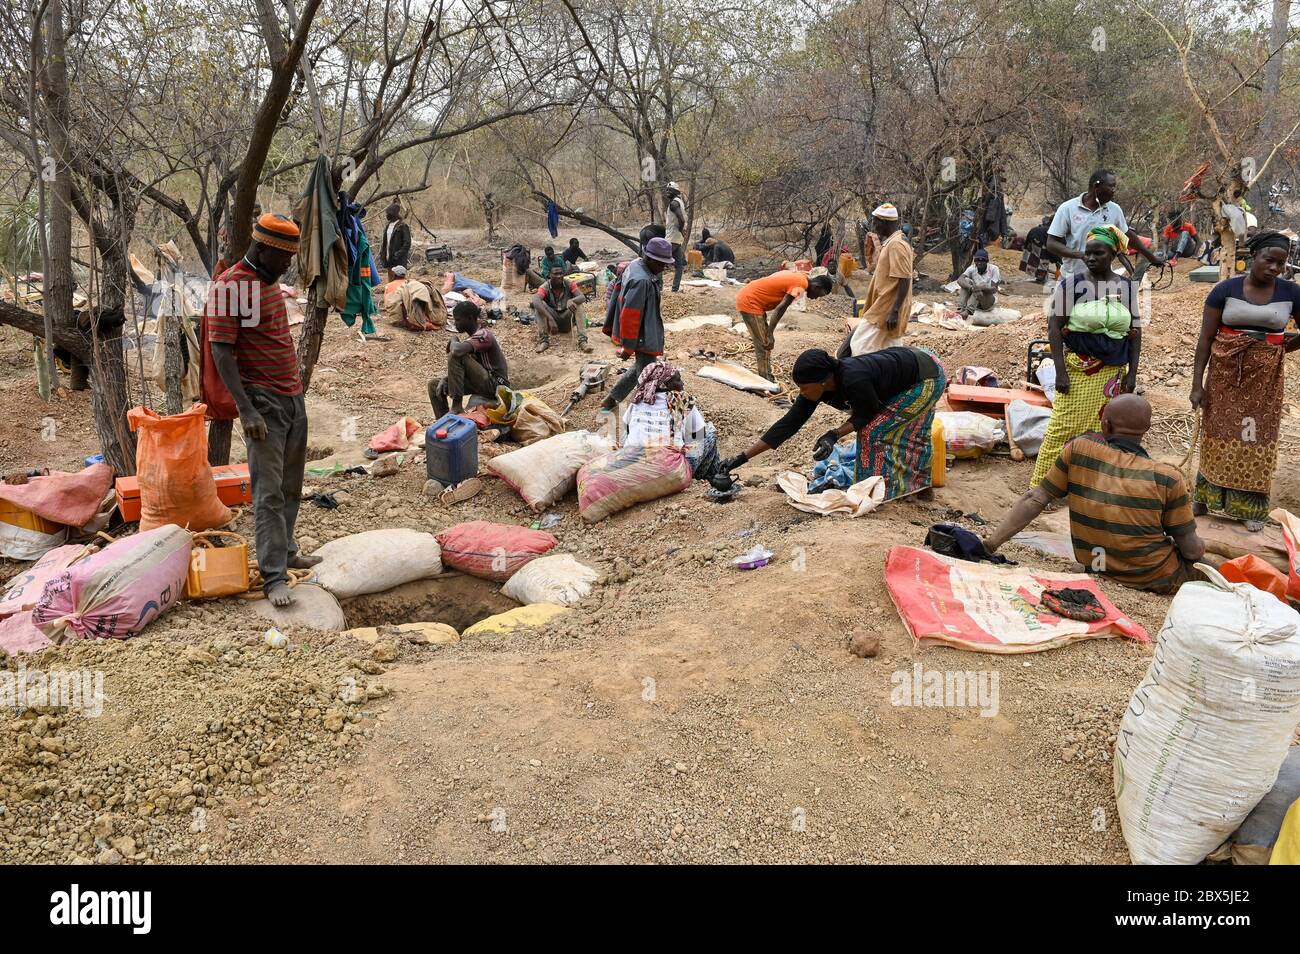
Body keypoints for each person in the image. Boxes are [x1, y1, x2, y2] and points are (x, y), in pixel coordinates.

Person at [206, 213, 320, 607]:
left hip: (292, 397)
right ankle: (274, 578)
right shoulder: (233, 286)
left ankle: (287, 553)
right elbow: (221, 351)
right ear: (263, 249)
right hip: (264, 403)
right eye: (284, 258)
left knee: (290, 484)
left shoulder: (266, 283)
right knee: (269, 492)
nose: (288, 266)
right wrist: (247, 409)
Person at [985, 395, 1205, 594]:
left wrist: (990, 545)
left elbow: (1035, 499)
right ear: (1146, 429)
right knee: (1215, 571)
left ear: (1106, 425)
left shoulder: (1079, 450)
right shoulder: (1167, 478)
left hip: (1097, 565)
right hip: (1152, 577)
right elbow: (1191, 551)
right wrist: (1201, 549)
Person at [719, 346, 946, 501]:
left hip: (926, 376)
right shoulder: (820, 389)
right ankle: (918, 487)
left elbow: (865, 415)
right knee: (902, 432)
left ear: (823, 381)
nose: (802, 393)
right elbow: (788, 424)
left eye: (805, 387)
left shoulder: (853, 378)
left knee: (873, 432)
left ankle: (875, 492)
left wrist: (833, 434)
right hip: (910, 368)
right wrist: (740, 459)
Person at [1189, 230, 1300, 530]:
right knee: (1218, 432)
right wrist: (1196, 384)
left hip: (1265, 380)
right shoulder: (1225, 289)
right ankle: (1205, 497)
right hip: (1225, 374)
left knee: (1256, 435)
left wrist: (1278, 349)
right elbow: (1205, 339)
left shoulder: (1291, 292)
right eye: (1269, 260)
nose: (1275, 268)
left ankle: (1249, 507)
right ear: (1253, 256)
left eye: (1282, 263)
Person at [1031, 224, 1142, 487]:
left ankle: (1088, 487)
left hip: (1113, 374)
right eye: (1088, 253)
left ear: (1113, 254)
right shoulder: (1073, 285)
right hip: (1078, 370)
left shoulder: (1126, 287)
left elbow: (1135, 332)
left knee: (1104, 433)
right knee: (1062, 428)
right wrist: (1060, 371)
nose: (1091, 258)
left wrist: (1132, 375)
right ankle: (1042, 487)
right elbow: (1054, 330)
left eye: (1098, 253)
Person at [600, 236, 674, 410]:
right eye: (660, 263)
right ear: (648, 257)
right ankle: (645, 411)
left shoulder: (636, 265)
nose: (663, 268)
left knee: (644, 366)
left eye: (665, 264)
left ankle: (612, 398)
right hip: (641, 334)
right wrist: (628, 346)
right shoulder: (642, 281)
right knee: (647, 375)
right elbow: (630, 316)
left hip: (643, 330)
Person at [1045, 169, 1165, 277]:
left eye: (1115, 187)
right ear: (1096, 186)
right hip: (1071, 276)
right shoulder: (1068, 208)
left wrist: (1151, 257)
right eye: (1111, 186)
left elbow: (1128, 235)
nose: (1114, 191)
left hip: (1102, 279)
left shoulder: (1114, 209)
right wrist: (1081, 255)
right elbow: (1051, 243)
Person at [621, 360, 717, 478]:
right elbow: (699, 434)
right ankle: (709, 475)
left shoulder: (638, 400)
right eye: (678, 380)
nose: (682, 383)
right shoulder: (682, 400)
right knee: (710, 432)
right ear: (664, 384)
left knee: (626, 432)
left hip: (633, 466)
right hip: (669, 470)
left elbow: (626, 426)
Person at [734, 270, 834, 381]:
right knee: (765, 344)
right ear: (817, 287)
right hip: (750, 301)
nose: (816, 298)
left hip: (752, 298)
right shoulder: (801, 285)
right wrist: (770, 333)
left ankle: (765, 377)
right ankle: (765, 381)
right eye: (819, 295)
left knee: (765, 342)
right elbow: (780, 309)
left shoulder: (802, 277)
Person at [844, 202, 913, 356]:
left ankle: (865, 376)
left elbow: (904, 279)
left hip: (886, 307)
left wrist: (894, 311)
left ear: (884, 222)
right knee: (890, 350)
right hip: (885, 304)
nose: (873, 225)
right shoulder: (892, 242)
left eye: (875, 222)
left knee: (860, 345)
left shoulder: (896, 245)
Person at [428, 300, 510, 419]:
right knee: (434, 385)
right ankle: (444, 421)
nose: (455, 324)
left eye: (458, 320)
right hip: (482, 382)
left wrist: (454, 339)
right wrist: (447, 379)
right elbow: (466, 368)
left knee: (455, 355)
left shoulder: (484, 335)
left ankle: (456, 407)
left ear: (470, 318)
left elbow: (456, 352)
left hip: (496, 385)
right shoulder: (471, 340)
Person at [531, 270, 592, 354]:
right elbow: (535, 300)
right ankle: (544, 341)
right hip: (552, 323)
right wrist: (550, 319)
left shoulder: (569, 284)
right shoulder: (545, 286)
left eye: (561, 273)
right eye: (555, 274)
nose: (559, 276)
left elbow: (582, 297)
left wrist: (572, 300)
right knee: (540, 305)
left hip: (567, 320)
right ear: (550, 275)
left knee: (578, 304)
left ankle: (583, 341)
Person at [956, 248, 1002, 315]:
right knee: (966, 281)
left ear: (986, 261)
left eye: (982, 261)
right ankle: (961, 308)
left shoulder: (994, 269)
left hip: (987, 301)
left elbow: (994, 289)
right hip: (975, 299)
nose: (979, 263)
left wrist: (981, 288)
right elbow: (960, 279)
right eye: (977, 261)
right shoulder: (972, 268)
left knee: (982, 285)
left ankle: (968, 311)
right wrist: (971, 287)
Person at [664, 181, 688, 292]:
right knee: (679, 266)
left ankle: (658, 287)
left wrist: (680, 228)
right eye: (667, 190)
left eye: (670, 190)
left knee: (659, 262)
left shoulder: (673, 204)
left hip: (671, 238)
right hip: (677, 239)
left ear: (676, 192)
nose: (668, 192)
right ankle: (675, 289)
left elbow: (682, 220)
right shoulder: (680, 202)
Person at [1020, 214, 1058, 282]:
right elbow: (1054, 248)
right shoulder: (1053, 231)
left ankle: (1039, 276)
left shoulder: (1039, 228)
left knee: (1036, 259)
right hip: (1041, 247)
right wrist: (1057, 262)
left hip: (1031, 245)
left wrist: (1025, 247)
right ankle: (1041, 277)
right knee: (1043, 259)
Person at [379, 203, 411, 281]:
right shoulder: (388, 225)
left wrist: (397, 255)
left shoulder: (403, 226)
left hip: (399, 261)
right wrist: (382, 254)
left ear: (394, 214)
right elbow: (385, 243)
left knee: (399, 284)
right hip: (389, 260)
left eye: (389, 213)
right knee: (391, 284)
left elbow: (407, 244)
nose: (387, 215)